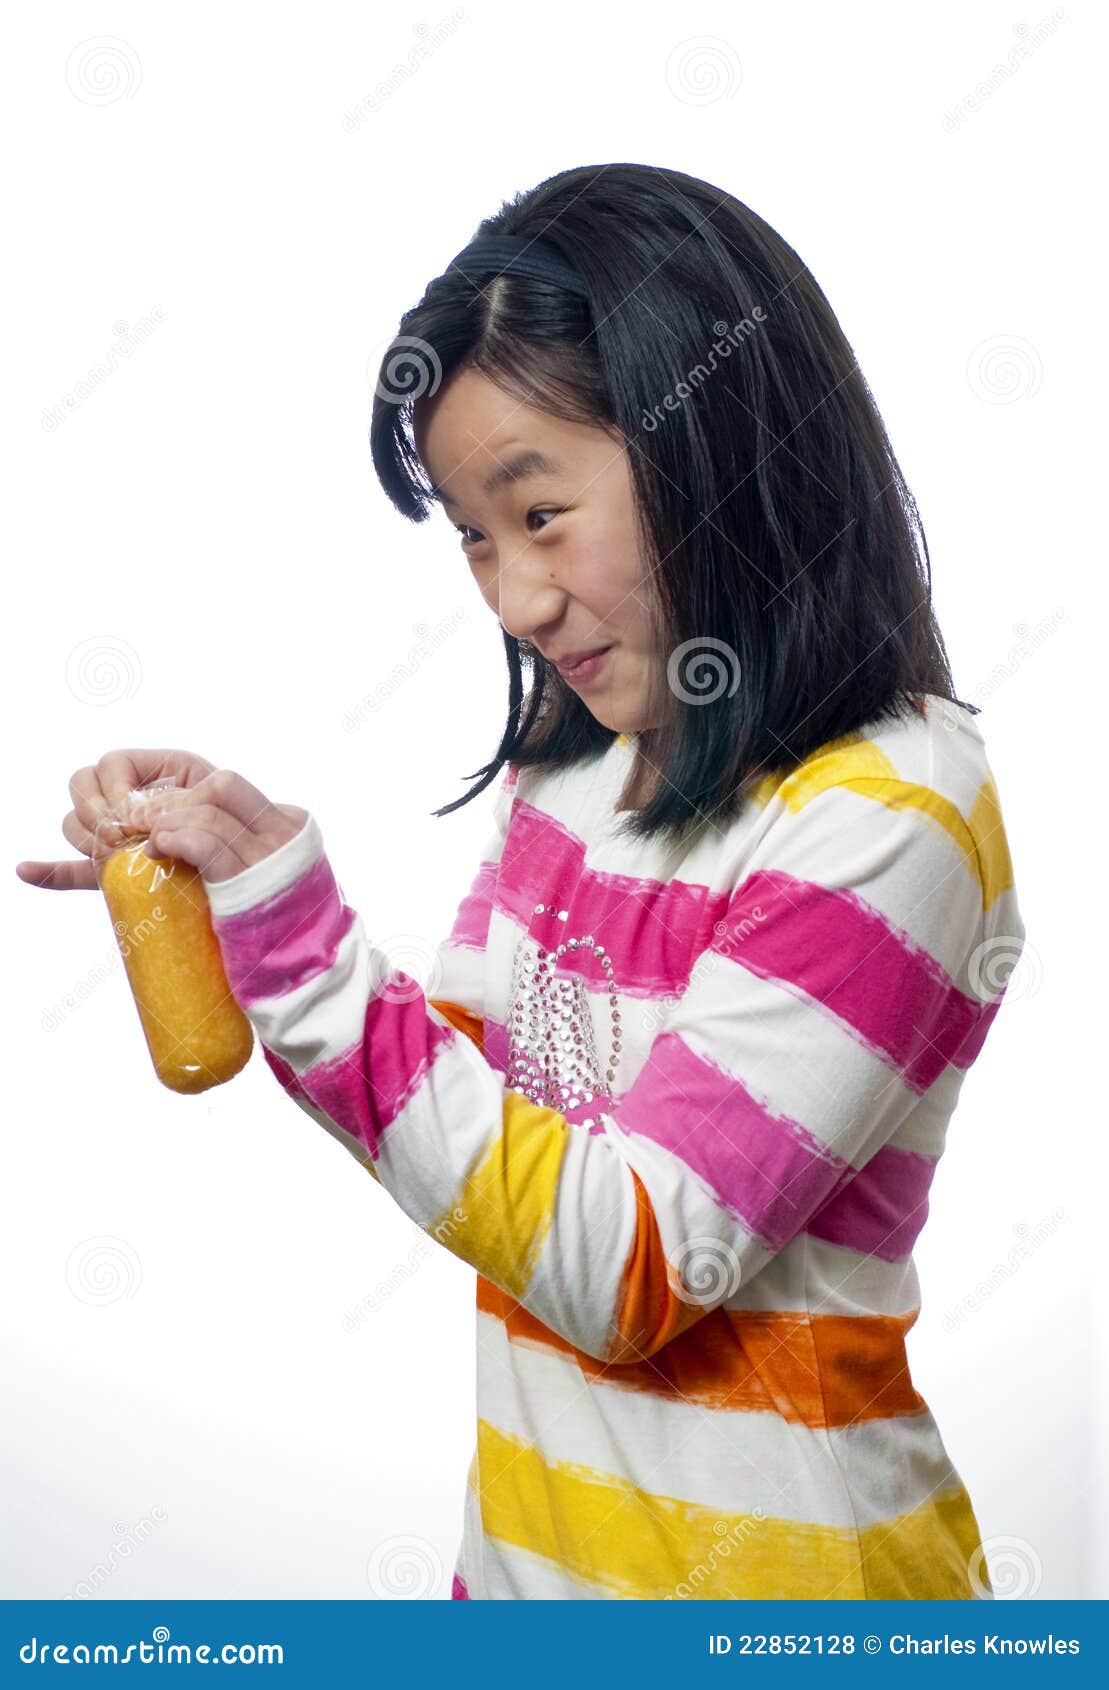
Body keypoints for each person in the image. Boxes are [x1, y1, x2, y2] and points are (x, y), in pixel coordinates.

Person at [17, 163, 1025, 1600]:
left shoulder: (889, 814)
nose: (511, 600)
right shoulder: (574, 762)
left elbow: (621, 1268)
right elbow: (480, 1143)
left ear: (718, 445)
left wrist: (303, 954)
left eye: (540, 514)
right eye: (475, 538)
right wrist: (235, 880)